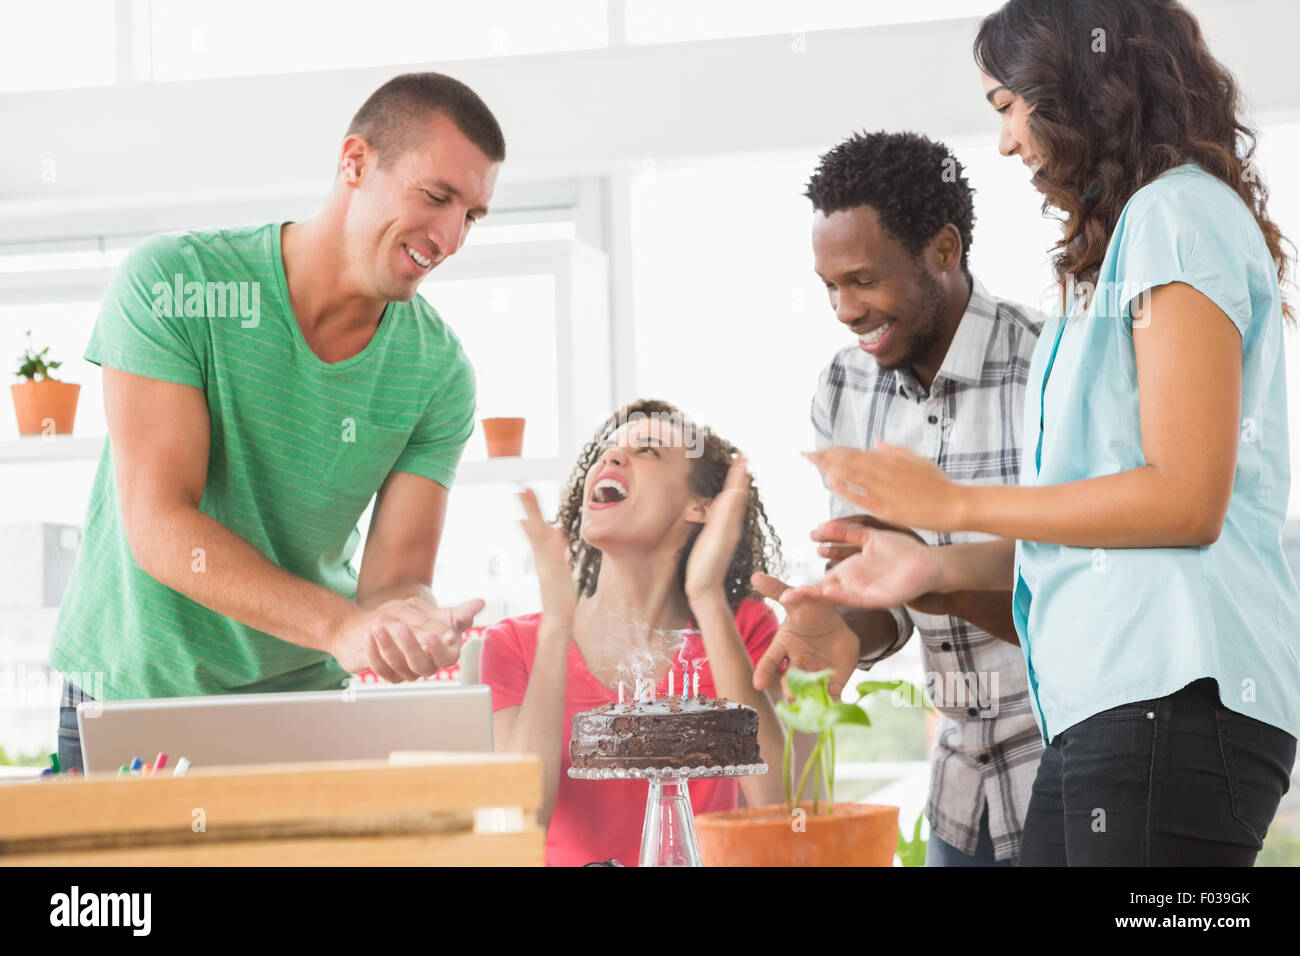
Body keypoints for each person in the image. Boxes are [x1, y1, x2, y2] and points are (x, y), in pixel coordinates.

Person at [790, 0, 1299, 866]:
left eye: (1007, 106)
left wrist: (953, 500)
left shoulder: (1179, 217)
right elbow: (1086, 536)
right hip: (1110, 708)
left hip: (1172, 696)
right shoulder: (1117, 256)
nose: (1008, 142)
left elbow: (1185, 499)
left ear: (1078, 87)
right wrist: (934, 566)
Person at [50, 72, 504, 771]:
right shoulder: (177, 284)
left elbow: (395, 578)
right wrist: (341, 625)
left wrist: (404, 622)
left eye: (471, 215)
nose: (449, 237)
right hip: (134, 699)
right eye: (436, 196)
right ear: (354, 162)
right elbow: (161, 526)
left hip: (304, 710)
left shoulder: (440, 372)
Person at [750, 131, 1044, 866]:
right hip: (959, 792)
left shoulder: (1048, 368)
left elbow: (1079, 602)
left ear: (944, 250)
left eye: (864, 281)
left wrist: (934, 579)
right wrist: (846, 625)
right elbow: (885, 601)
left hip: (1062, 768)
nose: (844, 310)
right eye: (829, 286)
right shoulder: (844, 387)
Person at [479, 400, 789, 866]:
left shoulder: (744, 629)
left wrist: (706, 595)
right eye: (606, 451)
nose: (611, 458)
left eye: (647, 451)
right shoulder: (514, 644)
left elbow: (783, 815)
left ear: (699, 505)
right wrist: (557, 629)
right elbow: (519, 829)